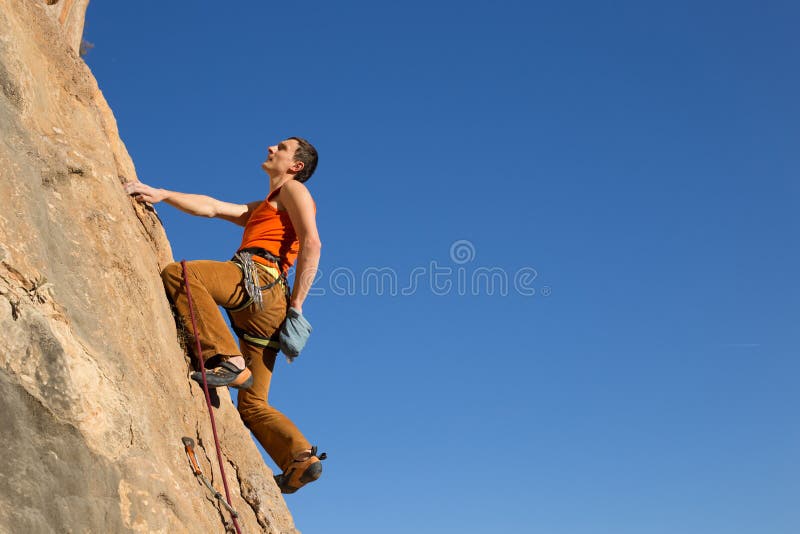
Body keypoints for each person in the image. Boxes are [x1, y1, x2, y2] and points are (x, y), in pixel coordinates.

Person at [125, 137, 324, 494]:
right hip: (266, 313)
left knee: (183, 275)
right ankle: (300, 459)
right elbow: (213, 207)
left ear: (296, 166)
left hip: (259, 280)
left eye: (281, 147)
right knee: (252, 404)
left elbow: (313, 242)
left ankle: (229, 359)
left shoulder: (293, 190)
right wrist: (163, 194)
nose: (270, 149)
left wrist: (298, 304)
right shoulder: (266, 207)